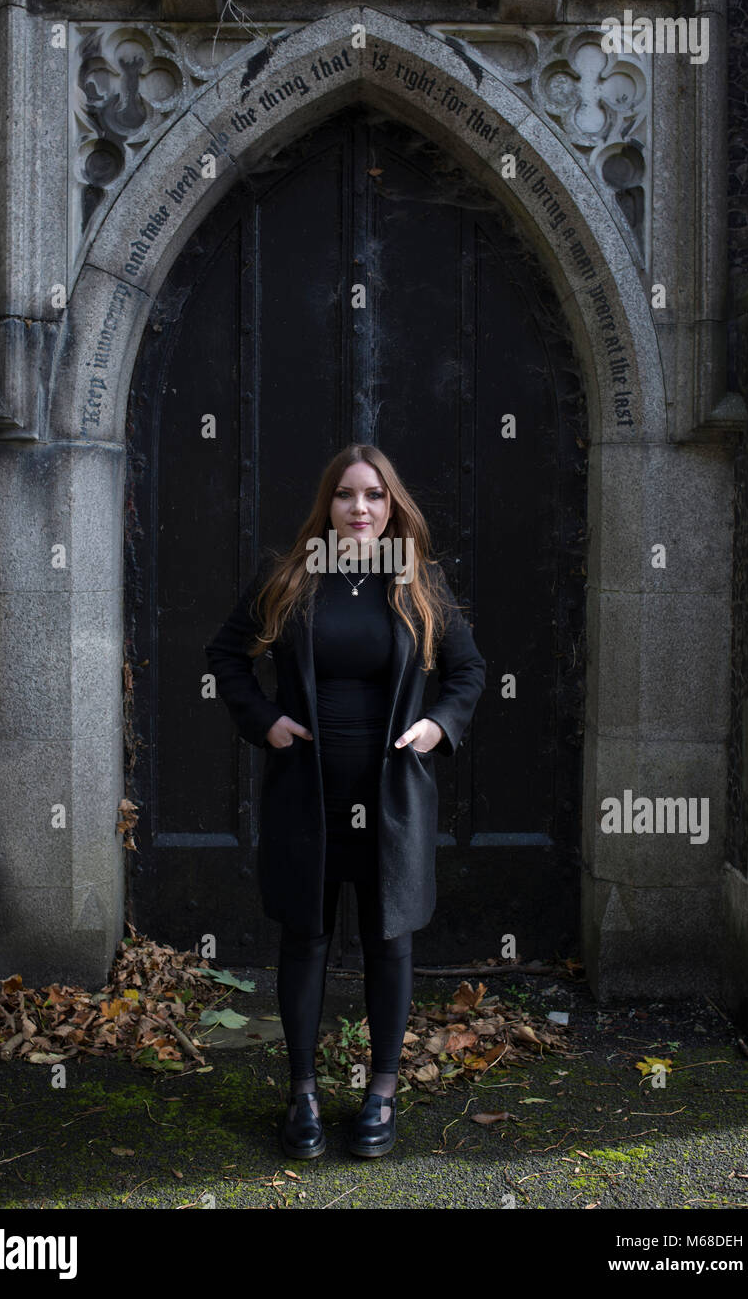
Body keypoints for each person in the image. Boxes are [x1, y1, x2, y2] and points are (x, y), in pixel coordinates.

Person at [204, 444, 485, 1158]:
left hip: (390, 795)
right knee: (304, 938)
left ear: (392, 507)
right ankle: (300, 1094)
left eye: (374, 496)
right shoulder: (290, 577)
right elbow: (226, 655)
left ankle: (380, 1096)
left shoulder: (418, 582)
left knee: (390, 942)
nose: (359, 508)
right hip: (309, 791)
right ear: (326, 505)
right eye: (345, 495)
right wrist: (263, 719)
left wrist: (437, 726)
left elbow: (468, 672)